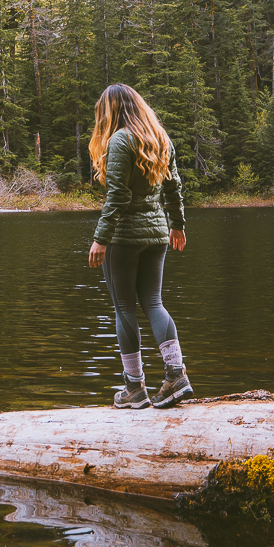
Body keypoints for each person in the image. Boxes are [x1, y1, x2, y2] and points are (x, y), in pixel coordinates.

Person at [87, 83, 193, 410]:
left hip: (123, 237)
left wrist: (101, 238)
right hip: (157, 235)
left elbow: (118, 196)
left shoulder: (120, 140)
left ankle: (134, 388)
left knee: (124, 308)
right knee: (154, 303)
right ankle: (176, 374)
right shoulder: (160, 138)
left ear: (111, 111)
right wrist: (177, 224)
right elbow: (175, 188)